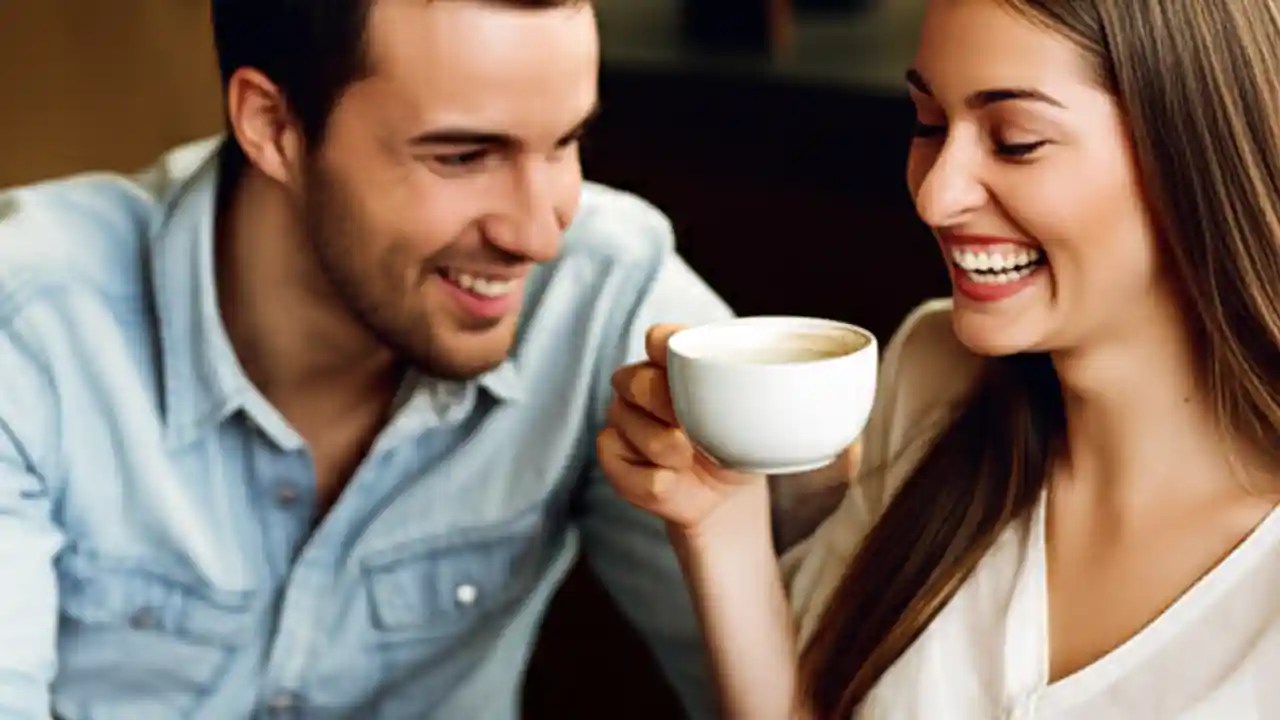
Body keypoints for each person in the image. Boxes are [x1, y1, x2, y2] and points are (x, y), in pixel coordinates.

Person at [0, 0, 737, 717]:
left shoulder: (605, 293)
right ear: (273, 125)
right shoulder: (31, 323)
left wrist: (808, 483)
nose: (538, 236)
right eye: (462, 156)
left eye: (565, 142)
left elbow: (806, 674)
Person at [599, 0, 1280, 717]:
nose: (935, 195)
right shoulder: (933, 375)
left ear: (1197, 149)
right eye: (927, 124)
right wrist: (718, 522)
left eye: (1016, 140)